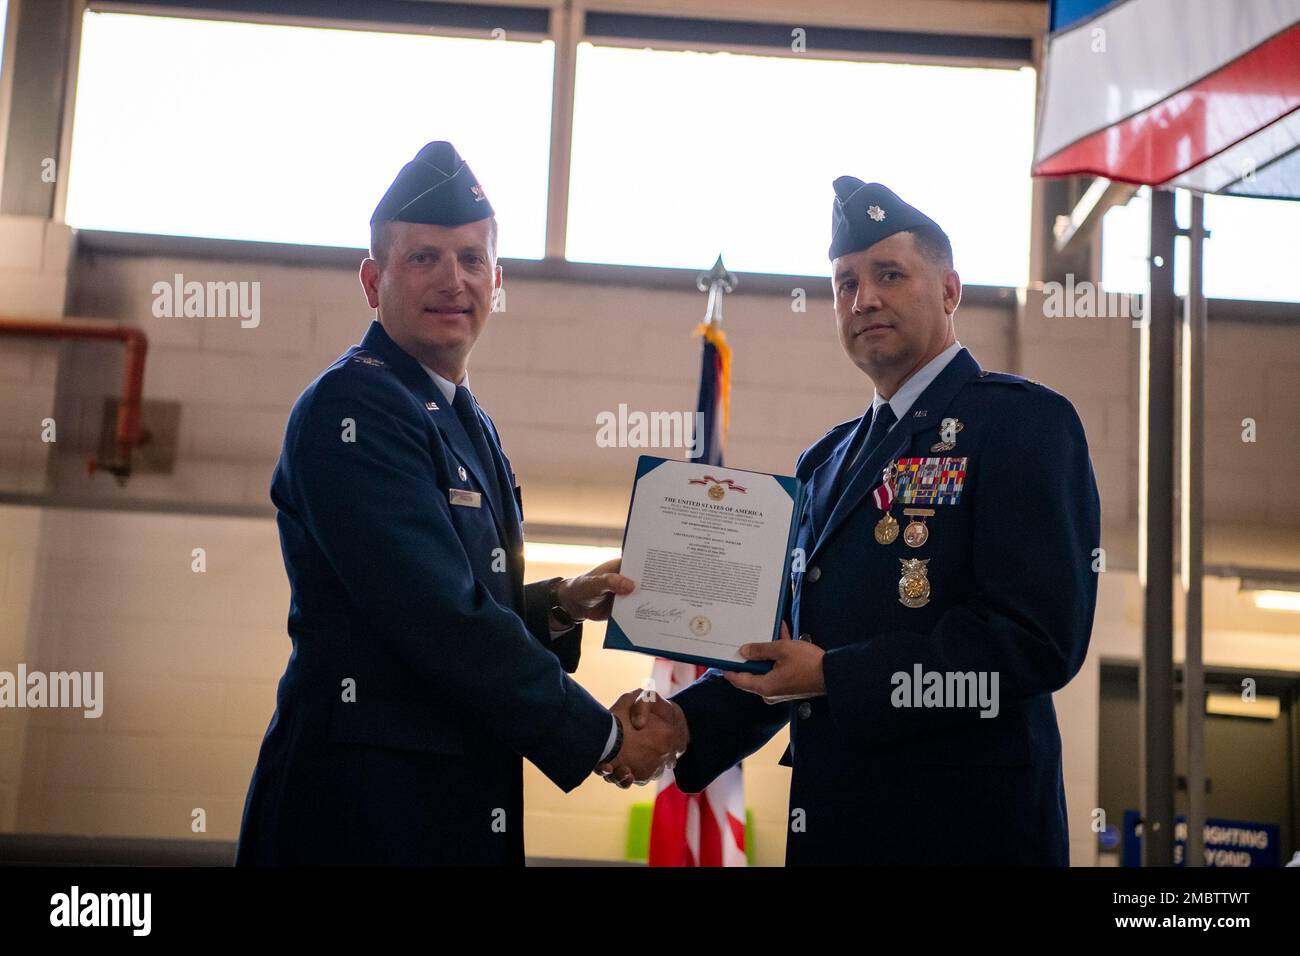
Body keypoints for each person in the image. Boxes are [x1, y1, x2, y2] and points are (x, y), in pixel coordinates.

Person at [601, 178, 1101, 865]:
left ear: (950, 290)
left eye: (889, 275)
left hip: (965, 837)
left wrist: (837, 676)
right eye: (844, 283)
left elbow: (1035, 638)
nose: (862, 299)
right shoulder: (824, 461)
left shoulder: (1020, 424)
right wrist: (684, 719)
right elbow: (786, 650)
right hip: (835, 829)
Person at [237, 141, 686, 865]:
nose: (453, 280)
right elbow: (434, 616)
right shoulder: (355, 405)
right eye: (424, 258)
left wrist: (561, 604)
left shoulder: (460, 417)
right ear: (371, 279)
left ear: (497, 280)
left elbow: (469, 601)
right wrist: (600, 736)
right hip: (363, 815)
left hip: (449, 805)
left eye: (472, 259)